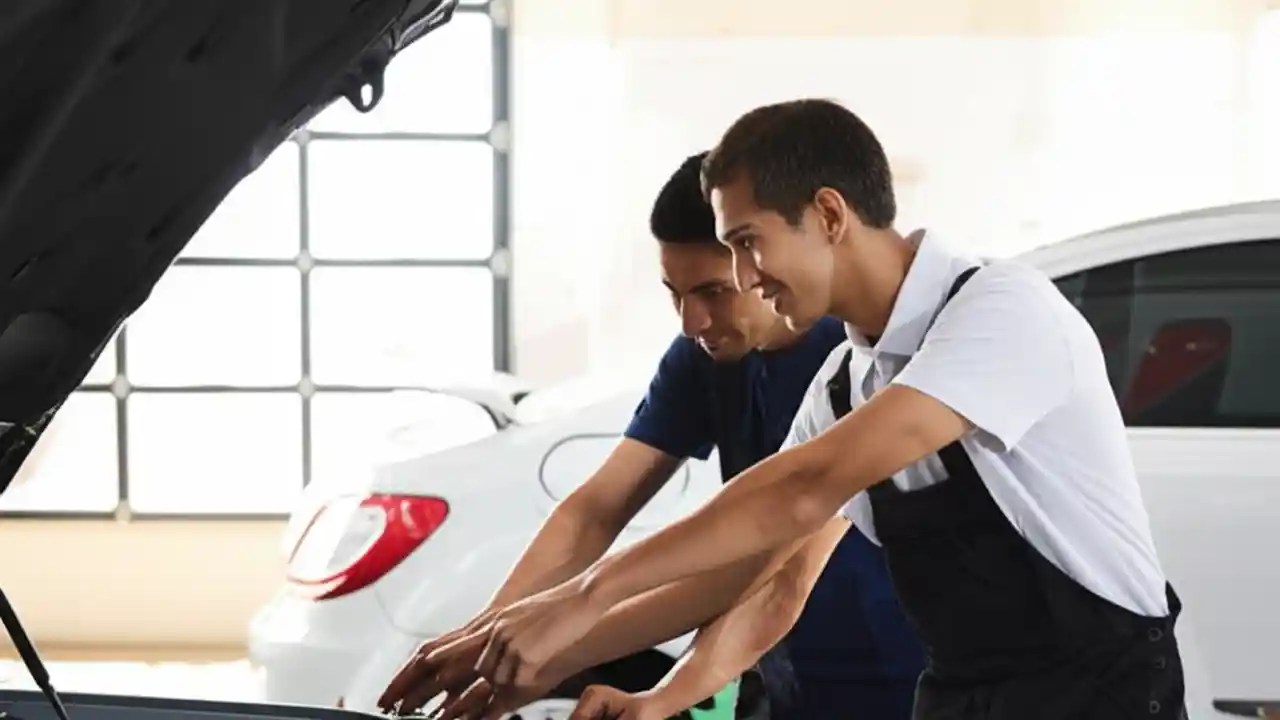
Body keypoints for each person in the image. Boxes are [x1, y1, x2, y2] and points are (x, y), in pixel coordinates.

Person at [456, 99, 1188, 720]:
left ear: (829, 213)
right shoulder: (844, 380)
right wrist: (664, 697)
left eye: (747, 244)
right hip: (961, 698)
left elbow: (805, 485)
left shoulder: (1001, 309)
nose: (745, 277)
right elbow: (774, 578)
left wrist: (585, 596)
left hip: (1098, 695)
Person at [377, 152, 924, 719]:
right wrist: (487, 637)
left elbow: (769, 572)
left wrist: (552, 653)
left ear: (759, 262)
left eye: (714, 292)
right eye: (675, 294)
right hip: (793, 688)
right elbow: (593, 513)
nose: (691, 322)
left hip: (914, 687)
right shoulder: (705, 357)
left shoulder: (861, 366)